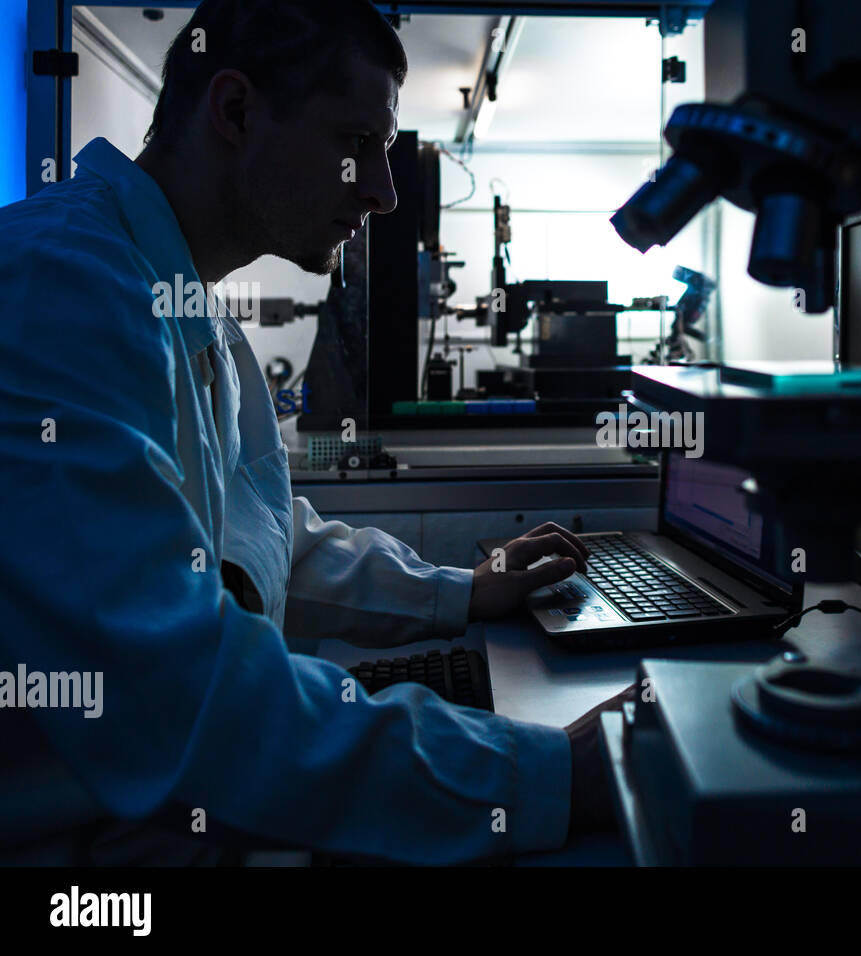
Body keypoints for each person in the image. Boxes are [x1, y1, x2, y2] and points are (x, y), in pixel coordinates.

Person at [0, 0, 626, 865]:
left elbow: (264, 541)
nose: (383, 189)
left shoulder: (192, 311)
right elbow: (178, 694)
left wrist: (461, 592)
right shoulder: (61, 290)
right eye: (357, 143)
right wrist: (550, 775)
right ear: (235, 111)